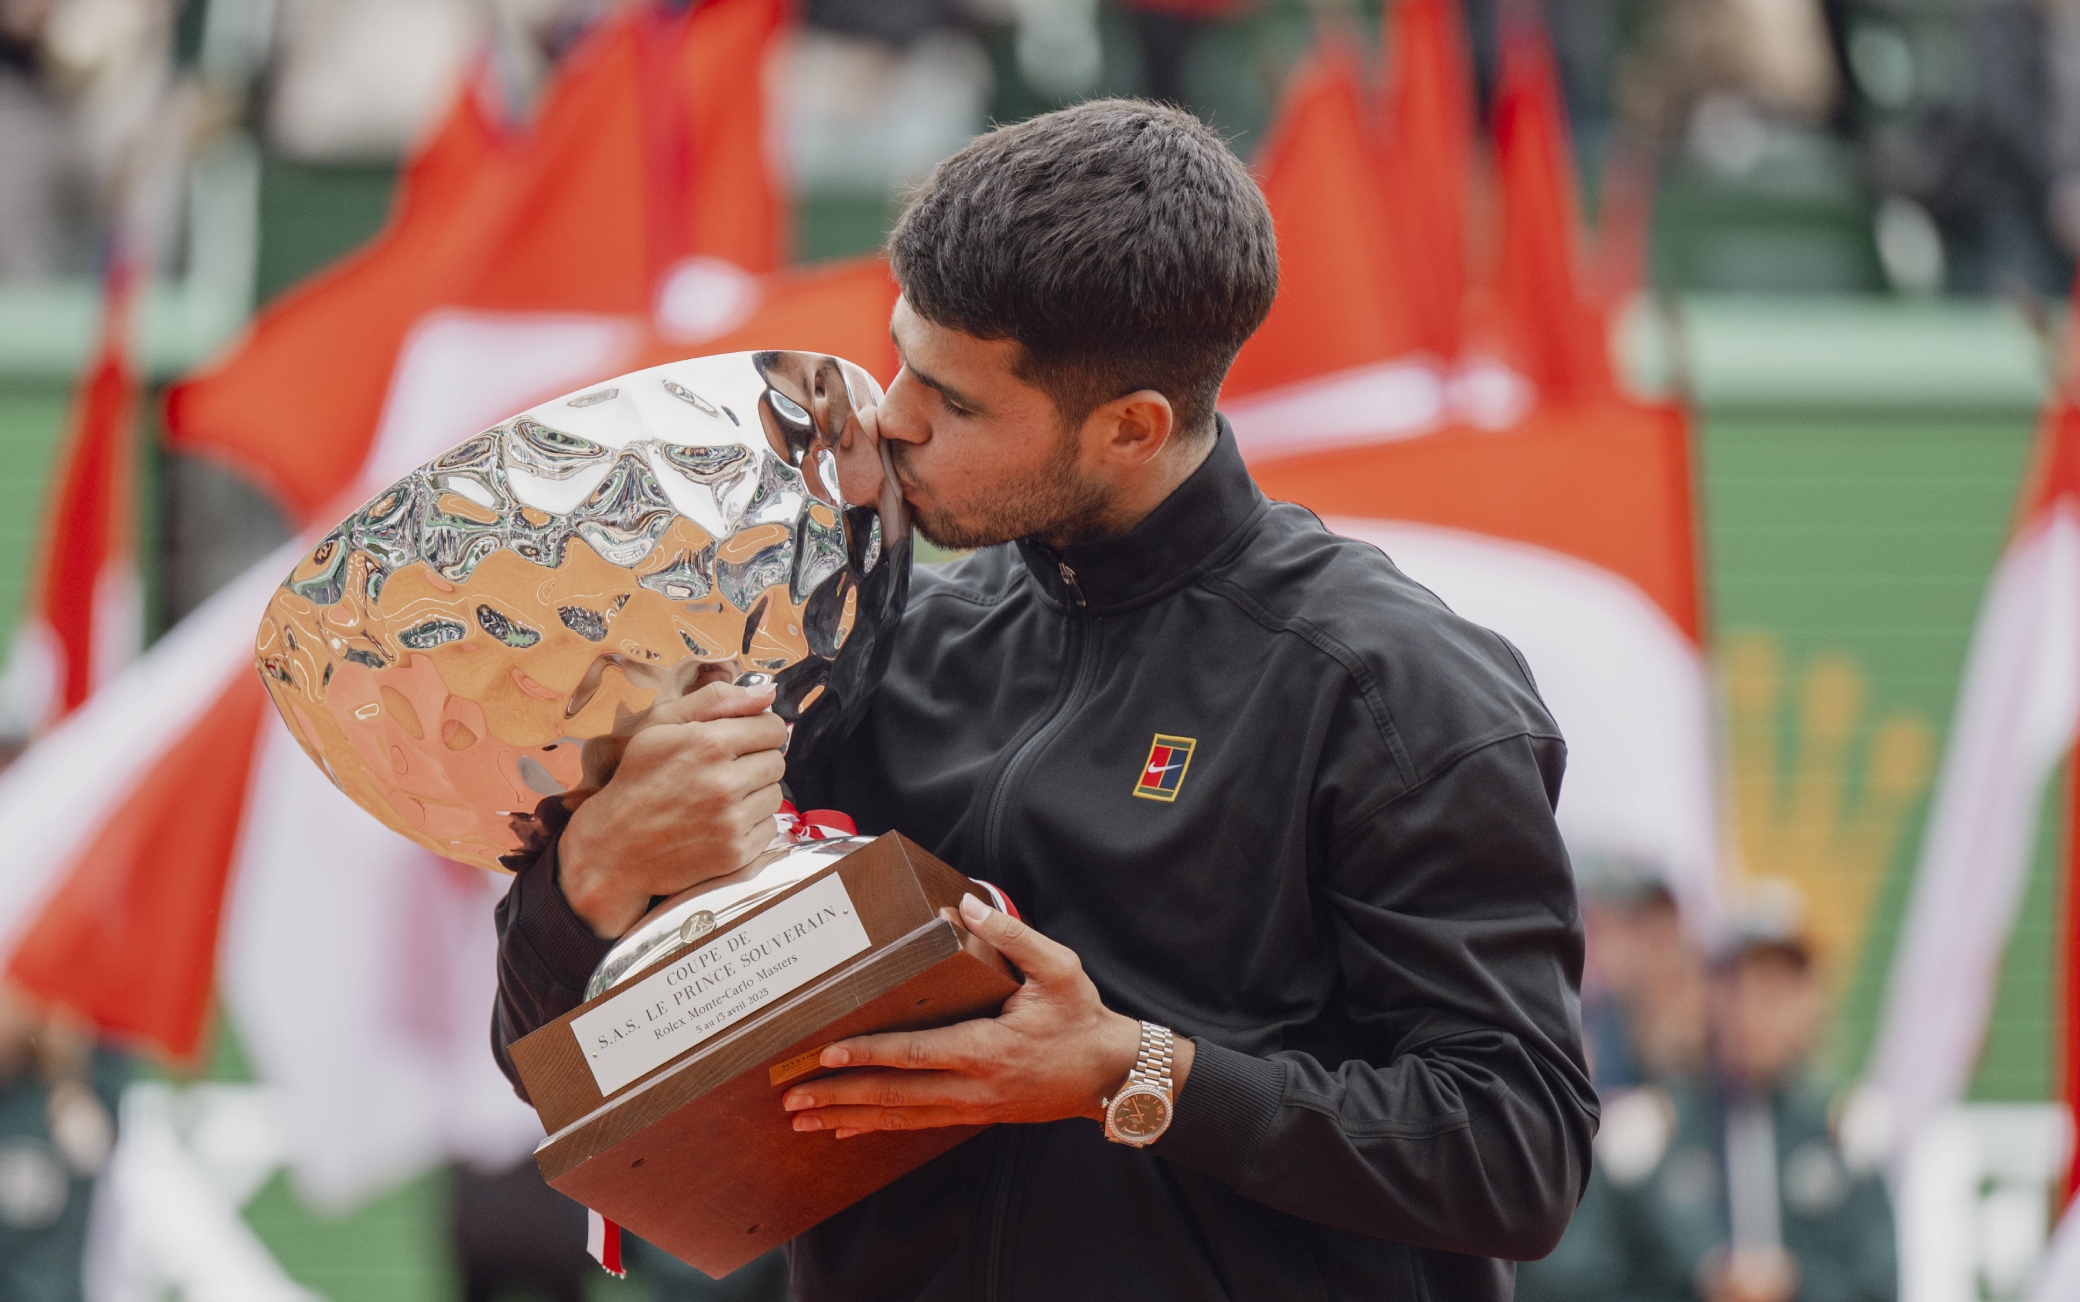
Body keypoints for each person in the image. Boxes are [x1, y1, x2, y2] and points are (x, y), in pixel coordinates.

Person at [491, 97, 1596, 1300]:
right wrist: (590, 876)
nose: (894, 419)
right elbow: (570, 1080)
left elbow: (1517, 1153)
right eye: (903, 358)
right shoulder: (867, 645)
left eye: (957, 403)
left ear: (1131, 428)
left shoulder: (1392, 688)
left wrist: (1131, 1071)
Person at [1518, 903, 1894, 1302]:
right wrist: (1706, 1284)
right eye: (1735, 985)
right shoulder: (1647, 1137)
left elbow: (1882, 1283)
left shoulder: (1843, 1140)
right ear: (1704, 995)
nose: (1752, 1008)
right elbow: (1567, 1282)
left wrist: (1794, 1284)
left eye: (1775, 989)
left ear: (1808, 1001)